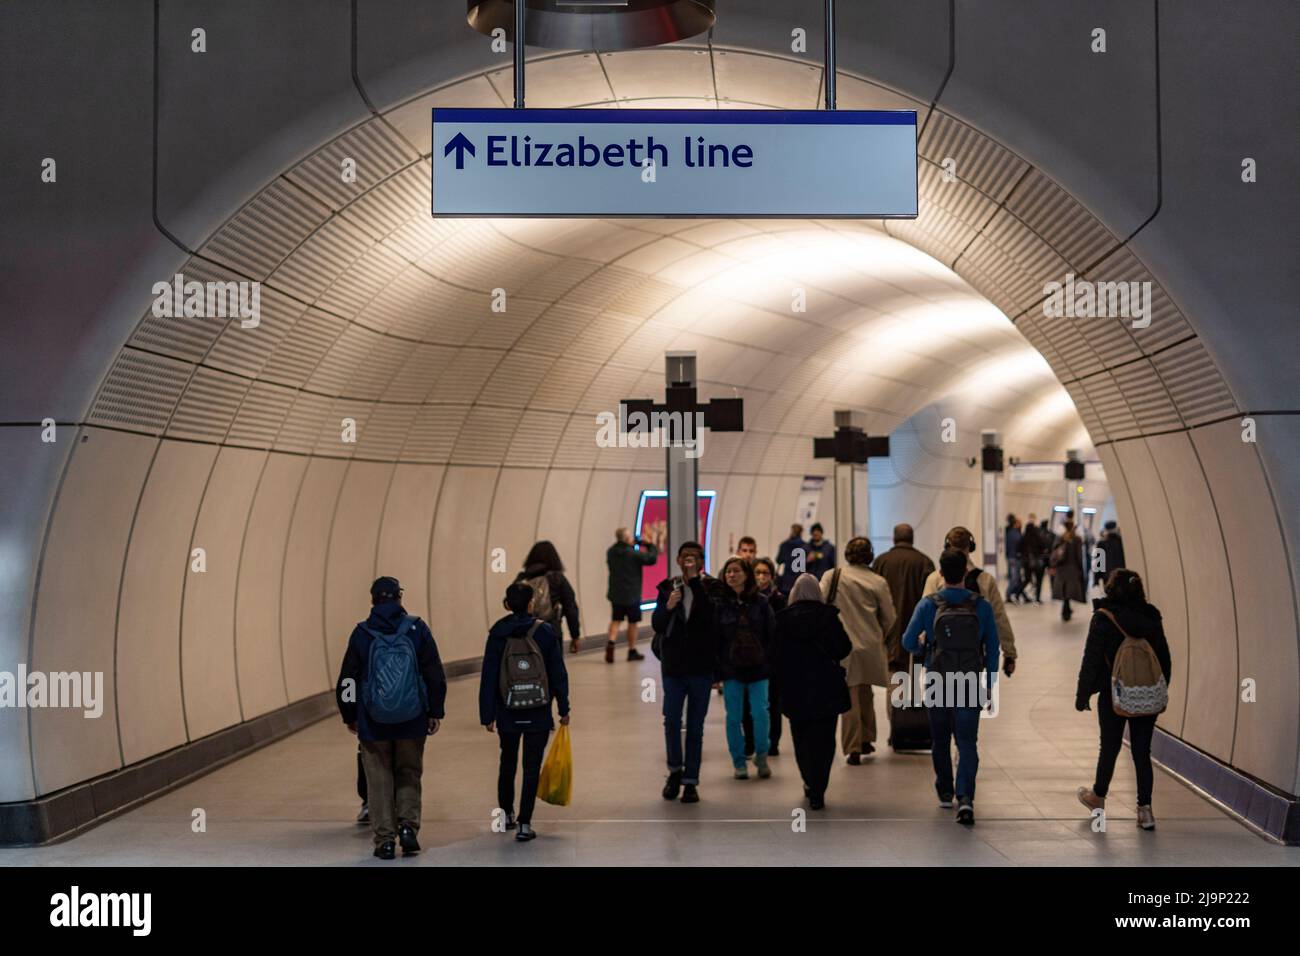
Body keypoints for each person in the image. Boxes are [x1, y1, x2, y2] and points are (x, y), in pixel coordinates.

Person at [336, 576, 447, 859]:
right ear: (399, 597)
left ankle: (385, 840)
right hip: (412, 719)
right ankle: (408, 828)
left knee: (379, 778)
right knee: (409, 772)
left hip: (373, 722)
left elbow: (347, 680)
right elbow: (434, 672)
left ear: (373, 600)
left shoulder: (361, 633)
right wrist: (435, 710)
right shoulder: (416, 628)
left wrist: (350, 714)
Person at [902, 550, 1000, 826]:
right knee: (967, 741)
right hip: (969, 680)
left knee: (941, 739)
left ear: (941, 574)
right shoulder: (981, 606)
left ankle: (945, 791)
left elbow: (907, 641)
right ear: (966, 574)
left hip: (938, 678)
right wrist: (990, 684)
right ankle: (965, 797)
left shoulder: (928, 604)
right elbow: (993, 649)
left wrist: (924, 646)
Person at [1075, 569, 1171, 831]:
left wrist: (1083, 694)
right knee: (1142, 752)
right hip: (1145, 693)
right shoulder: (1151, 617)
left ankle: (1098, 797)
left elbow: (1091, 659)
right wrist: (1158, 688)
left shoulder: (1104, 618)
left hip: (1113, 693)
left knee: (1110, 746)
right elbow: (1163, 658)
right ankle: (1145, 810)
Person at [480, 582, 571, 843]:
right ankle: (524, 824)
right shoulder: (545, 632)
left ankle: (506, 814)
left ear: (507, 605)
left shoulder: (498, 633)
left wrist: (488, 714)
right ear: (531, 603)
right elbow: (558, 674)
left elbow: (488, 676)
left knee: (507, 762)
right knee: (531, 767)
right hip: (538, 711)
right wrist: (563, 708)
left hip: (508, 710)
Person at [651, 540, 724, 804]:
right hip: (674, 666)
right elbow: (657, 624)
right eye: (684, 557)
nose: (688, 561)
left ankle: (691, 781)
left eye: (693, 557)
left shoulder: (713, 587)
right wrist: (668, 605)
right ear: (678, 560)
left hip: (701, 667)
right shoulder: (668, 587)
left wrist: (694, 583)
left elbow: (710, 618)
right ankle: (674, 771)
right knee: (671, 720)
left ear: (701, 561)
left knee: (695, 726)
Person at [772, 574, 852, 810]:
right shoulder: (829, 618)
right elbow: (844, 648)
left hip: (796, 688)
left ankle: (808, 780)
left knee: (801, 738)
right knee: (825, 740)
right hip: (826, 687)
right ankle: (820, 787)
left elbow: (775, 655)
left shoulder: (783, 620)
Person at [821, 537, 896, 764]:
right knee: (865, 691)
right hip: (870, 644)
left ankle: (853, 747)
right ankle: (867, 739)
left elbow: (821, 603)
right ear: (870, 555)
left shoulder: (832, 576)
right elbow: (890, 617)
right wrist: (878, 633)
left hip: (843, 645)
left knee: (849, 694)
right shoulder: (877, 581)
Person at [871, 523, 936, 743]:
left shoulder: (880, 562)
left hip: (889, 635)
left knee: (896, 680)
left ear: (893, 538)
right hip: (918, 633)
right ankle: (914, 726)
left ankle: (897, 728)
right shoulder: (924, 562)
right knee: (916, 679)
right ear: (912, 538)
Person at [923, 527, 1017, 675]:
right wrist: (1009, 652)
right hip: (974, 656)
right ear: (971, 547)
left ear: (947, 546)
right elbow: (999, 618)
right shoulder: (985, 580)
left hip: (940, 656)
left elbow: (924, 618)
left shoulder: (935, 578)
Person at [716, 556, 778, 779]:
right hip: (731, 668)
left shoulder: (761, 603)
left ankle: (762, 753)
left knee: (760, 713)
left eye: (736, 571)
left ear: (746, 575)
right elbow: (716, 639)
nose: (731, 575)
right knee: (734, 716)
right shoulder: (720, 604)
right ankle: (739, 761)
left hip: (759, 668)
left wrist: (771, 663)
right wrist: (717, 670)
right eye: (728, 572)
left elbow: (772, 634)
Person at [747, 557, 787, 756]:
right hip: (751, 658)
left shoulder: (778, 599)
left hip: (773, 660)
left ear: (771, 576)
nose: (761, 577)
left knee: (773, 702)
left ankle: (773, 742)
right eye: (758, 572)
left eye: (765, 573)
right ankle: (752, 740)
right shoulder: (746, 600)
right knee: (751, 704)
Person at [515, 541, 582, 653]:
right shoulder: (557, 579)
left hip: (525, 632)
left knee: (529, 667)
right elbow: (570, 608)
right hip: (551, 631)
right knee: (554, 668)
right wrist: (575, 636)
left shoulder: (523, 578)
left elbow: (510, 602)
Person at [605, 527, 658, 664]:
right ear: (627, 538)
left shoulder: (611, 552)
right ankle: (632, 650)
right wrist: (647, 544)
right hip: (632, 594)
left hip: (616, 593)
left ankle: (611, 642)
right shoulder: (633, 554)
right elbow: (651, 559)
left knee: (616, 619)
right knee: (633, 622)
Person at [1050, 520, 1087, 621]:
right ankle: (1066, 610)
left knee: (1064, 589)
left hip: (1061, 568)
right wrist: (1081, 568)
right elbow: (1079, 556)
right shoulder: (1077, 539)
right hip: (1072, 568)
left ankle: (1066, 609)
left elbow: (1054, 551)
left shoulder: (1060, 538)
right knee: (1069, 590)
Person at [1019, 514, 1045, 604]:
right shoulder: (1037, 534)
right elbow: (1042, 545)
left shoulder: (1024, 535)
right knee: (1038, 580)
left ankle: (1019, 592)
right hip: (1037, 560)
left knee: (1027, 579)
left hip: (1026, 561)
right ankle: (1037, 598)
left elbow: (1020, 547)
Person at [775, 524, 808, 594]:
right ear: (801, 532)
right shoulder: (806, 546)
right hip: (800, 582)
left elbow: (778, 561)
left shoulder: (784, 545)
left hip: (786, 582)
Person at [1096, 521, 1127, 589]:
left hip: (1107, 576)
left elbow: (1098, 561)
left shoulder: (1101, 543)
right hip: (1120, 574)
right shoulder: (1121, 542)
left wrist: (1096, 577)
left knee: (1109, 595)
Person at [1005, 514, 1026, 604]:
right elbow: (1019, 545)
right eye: (1019, 523)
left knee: (1017, 578)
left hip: (1011, 557)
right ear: (1016, 524)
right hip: (1015, 558)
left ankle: (1021, 595)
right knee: (1015, 578)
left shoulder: (1009, 533)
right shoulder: (1016, 534)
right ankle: (1008, 595)